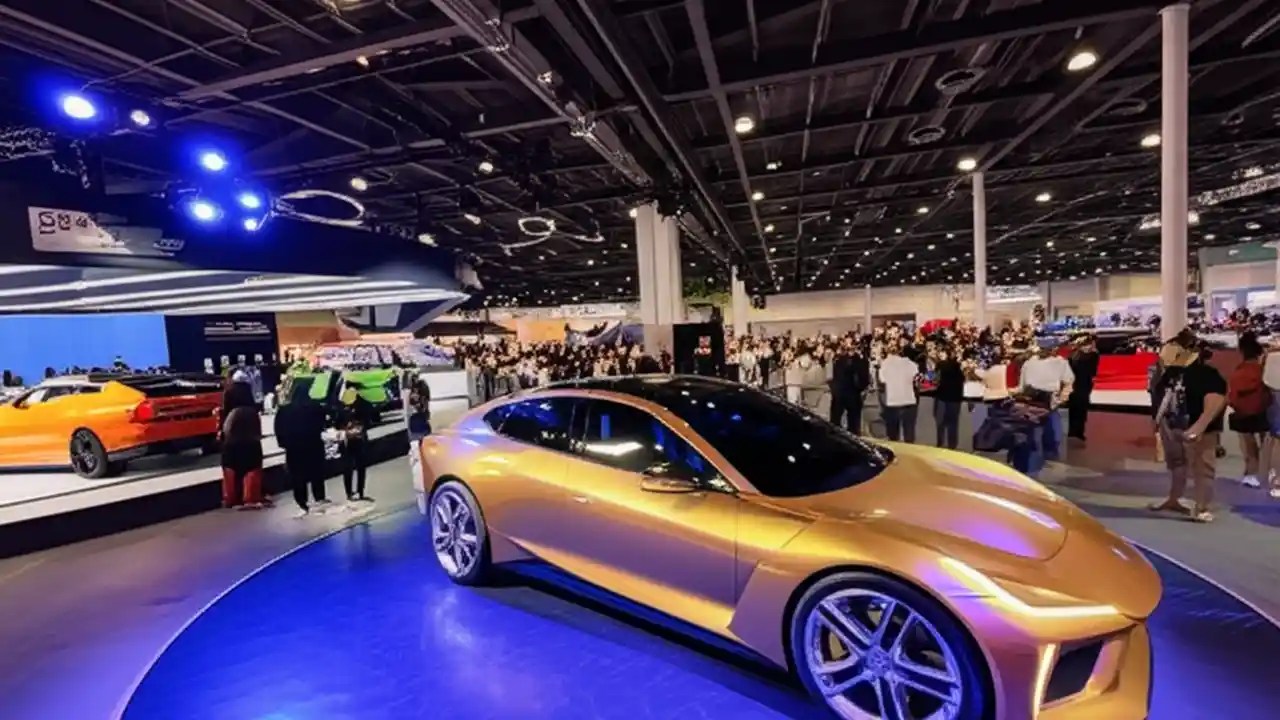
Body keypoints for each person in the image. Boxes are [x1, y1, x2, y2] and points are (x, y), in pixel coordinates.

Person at [1150, 340, 1225, 523]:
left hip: (1198, 428)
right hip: (1172, 424)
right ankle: (1174, 498)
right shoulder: (1168, 373)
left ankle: (1202, 507)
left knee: (1202, 467)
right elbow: (1161, 397)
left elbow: (1216, 400)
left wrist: (1200, 425)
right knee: (1176, 463)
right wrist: (1158, 421)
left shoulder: (1207, 374)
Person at [275, 389, 330, 517]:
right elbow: (323, 422)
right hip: (313, 444)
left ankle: (302, 501)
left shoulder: (284, 410)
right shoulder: (314, 407)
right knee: (316, 473)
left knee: (297, 476)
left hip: (293, 447)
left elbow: (278, 427)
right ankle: (319, 497)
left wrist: (283, 443)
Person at [1227, 332, 1269, 489]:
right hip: (1262, 410)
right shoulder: (1261, 370)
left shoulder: (1239, 371)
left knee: (1248, 447)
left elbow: (1233, 394)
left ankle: (1250, 473)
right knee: (1267, 445)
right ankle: (1266, 474)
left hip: (1243, 412)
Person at [220, 387, 266, 510]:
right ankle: (250, 497)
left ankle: (231, 498)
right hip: (252, 447)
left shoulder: (229, 413)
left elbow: (225, 431)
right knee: (252, 472)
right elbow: (258, 433)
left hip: (231, 448)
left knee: (230, 473)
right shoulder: (252, 412)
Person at [335, 385, 378, 503]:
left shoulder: (360, 404)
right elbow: (337, 423)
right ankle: (352, 492)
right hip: (348, 440)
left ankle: (357, 491)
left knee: (357, 467)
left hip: (358, 439)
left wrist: (359, 425)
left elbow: (369, 419)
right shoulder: (342, 405)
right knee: (351, 467)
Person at [878, 342, 919, 442]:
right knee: (909, 434)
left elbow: (882, 381)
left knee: (893, 436)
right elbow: (917, 380)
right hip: (909, 402)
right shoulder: (911, 364)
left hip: (893, 402)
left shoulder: (885, 364)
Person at [830, 339, 870, 434]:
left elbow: (864, 377)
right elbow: (836, 376)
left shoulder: (861, 361)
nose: (849, 347)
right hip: (841, 394)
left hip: (853, 393)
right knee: (836, 421)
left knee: (853, 423)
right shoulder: (839, 360)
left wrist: (861, 388)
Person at [1066, 336, 1099, 442]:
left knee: (1073, 409)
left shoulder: (1072, 355)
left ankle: (1071, 430)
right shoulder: (1093, 356)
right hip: (1084, 385)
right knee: (1082, 410)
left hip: (1073, 384)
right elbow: (1093, 372)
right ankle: (1079, 432)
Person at [932, 347, 965, 449]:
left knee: (940, 423)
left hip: (942, 397)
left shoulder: (941, 365)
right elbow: (962, 382)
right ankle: (952, 446)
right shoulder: (958, 369)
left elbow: (935, 380)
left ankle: (940, 443)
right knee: (953, 424)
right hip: (955, 399)